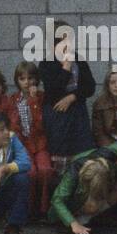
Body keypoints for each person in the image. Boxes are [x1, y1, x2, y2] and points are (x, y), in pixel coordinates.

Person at [38, 20, 97, 172]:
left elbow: (90, 86)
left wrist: (72, 97)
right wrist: (65, 68)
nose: (67, 44)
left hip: (78, 115)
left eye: (70, 39)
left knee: (83, 160)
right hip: (58, 117)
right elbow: (52, 91)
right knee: (60, 163)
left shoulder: (79, 59)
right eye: (63, 40)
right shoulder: (46, 63)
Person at [2, 61, 54, 218]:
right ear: (17, 81)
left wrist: (34, 102)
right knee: (29, 173)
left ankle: (43, 209)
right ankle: (28, 209)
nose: (27, 82)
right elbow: (10, 125)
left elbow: (41, 124)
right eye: (22, 79)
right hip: (22, 145)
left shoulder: (43, 98)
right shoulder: (12, 100)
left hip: (40, 143)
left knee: (45, 171)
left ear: (36, 79)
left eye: (30, 78)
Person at [47, 142, 117, 234]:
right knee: (92, 205)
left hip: (91, 192)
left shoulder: (108, 164)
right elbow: (57, 200)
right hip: (71, 204)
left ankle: (88, 219)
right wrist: (73, 223)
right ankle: (76, 222)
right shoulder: (72, 175)